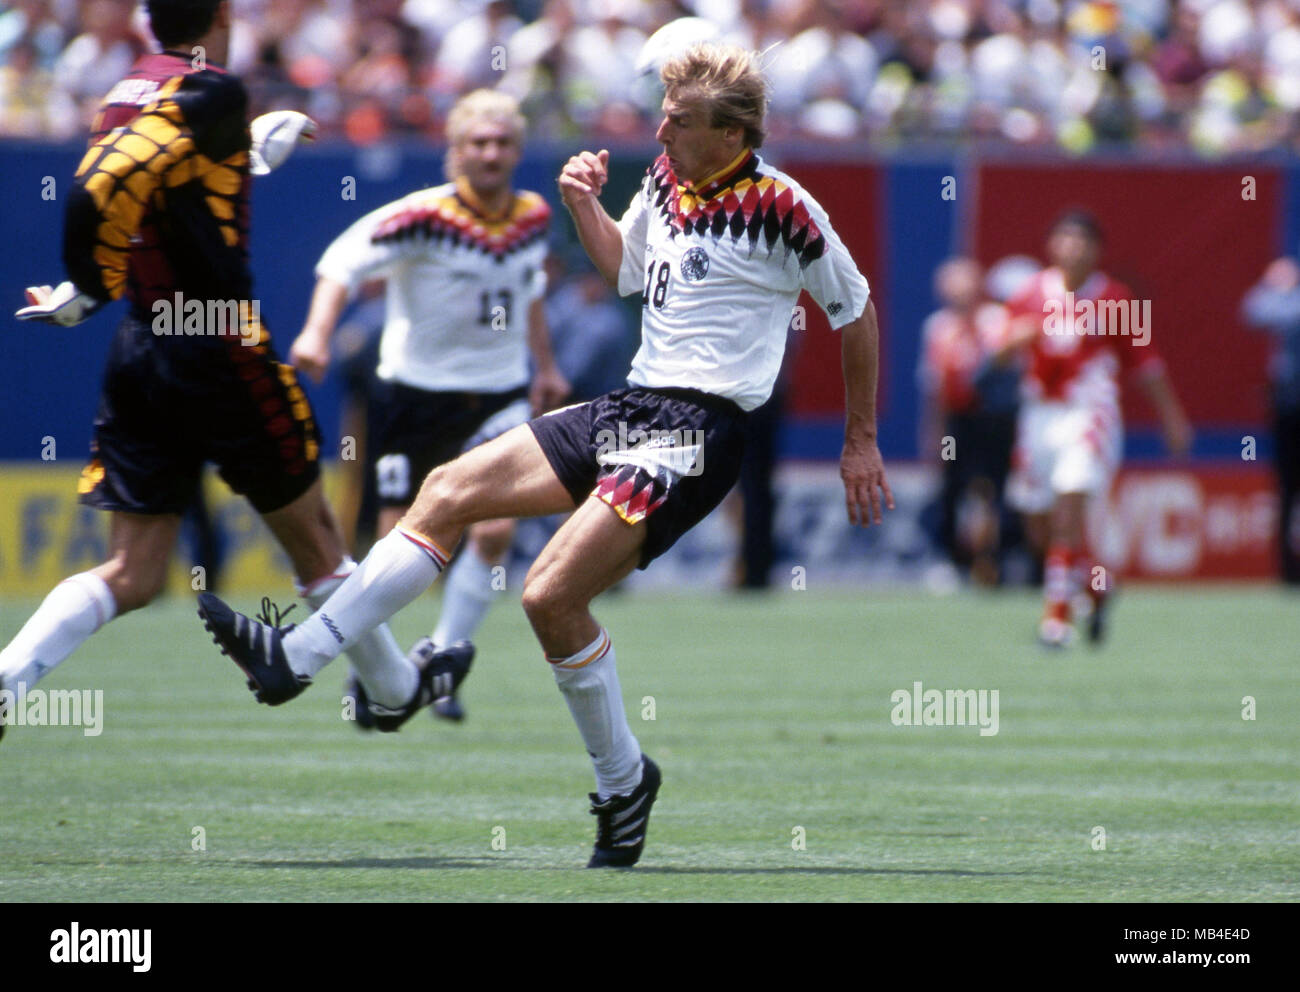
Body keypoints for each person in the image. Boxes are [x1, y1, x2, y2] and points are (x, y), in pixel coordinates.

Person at [197, 42, 892, 867]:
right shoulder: (667, 179)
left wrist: (860, 443)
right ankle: (300, 657)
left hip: (696, 431)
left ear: (733, 131)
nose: (659, 125)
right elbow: (627, 269)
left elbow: (857, 313)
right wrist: (585, 207)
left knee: (548, 597)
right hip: (636, 404)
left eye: (679, 118)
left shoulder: (784, 207)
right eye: (663, 111)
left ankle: (621, 782)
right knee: (449, 489)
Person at [0, 0, 465, 744]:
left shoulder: (124, 92)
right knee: (315, 537)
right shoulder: (209, 86)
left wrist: (243, 150)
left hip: (145, 342)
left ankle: (7, 680)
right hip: (217, 342)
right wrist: (86, 278)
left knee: (133, 572)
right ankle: (394, 687)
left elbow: (158, 173)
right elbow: (104, 184)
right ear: (221, 14)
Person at [288, 89, 569, 724]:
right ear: (455, 152)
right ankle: (378, 676)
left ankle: (442, 661)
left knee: (494, 528)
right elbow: (342, 263)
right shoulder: (418, 216)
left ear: (517, 152)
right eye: (478, 142)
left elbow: (526, 292)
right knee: (397, 545)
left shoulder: (531, 216)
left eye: (502, 143)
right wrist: (316, 332)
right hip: (413, 398)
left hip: (497, 396)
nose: (491, 153)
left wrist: (545, 366)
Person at [997, 211, 1192, 647]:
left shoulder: (1115, 299)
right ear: (1051, 246)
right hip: (1038, 416)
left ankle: (1056, 622)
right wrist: (1014, 340)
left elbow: (1147, 364)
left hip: (1089, 413)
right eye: (1065, 238)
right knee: (1038, 528)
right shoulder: (1029, 293)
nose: (1073, 248)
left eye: (1082, 240)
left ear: (1096, 250)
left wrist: (1172, 418)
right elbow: (995, 355)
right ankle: (1097, 586)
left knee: (1069, 509)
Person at [917, 257, 1018, 584]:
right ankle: (950, 560)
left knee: (991, 489)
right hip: (955, 424)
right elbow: (933, 387)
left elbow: (1011, 375)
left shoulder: (997, 321)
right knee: (952, 487)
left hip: (993, 421)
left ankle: (991, 563)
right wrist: (933, 433)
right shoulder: (938, 328)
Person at [1241, 256, 1300, 585]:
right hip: (1287, 409)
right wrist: (1279, 289)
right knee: (1287, 487)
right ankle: (1287, 569)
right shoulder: (1275, 300)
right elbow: (1253, 311)